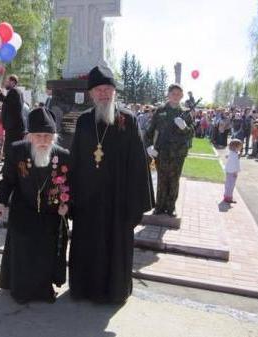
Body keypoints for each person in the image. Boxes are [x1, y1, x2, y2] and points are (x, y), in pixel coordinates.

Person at [69, 65, 154, 304]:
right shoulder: (84, 121)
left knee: (114, 247)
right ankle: (83, 289)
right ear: (91, 94)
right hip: (88, 201)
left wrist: (135, 204)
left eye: (107, 89)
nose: (103, 94)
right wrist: (71, 196)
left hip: (118, 201)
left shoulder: (128, 120)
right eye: (98, 90)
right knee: (87, 245)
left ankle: (114, 292)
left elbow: (139, 163)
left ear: (114, 92)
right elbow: (75, 159)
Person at [0, 107, 70, 304]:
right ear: (29, 136)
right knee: (23, 251)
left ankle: (44, 290)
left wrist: (67, 204)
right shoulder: (17, 150)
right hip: (23, 208)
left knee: (46, 252)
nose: (43, 140)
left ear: (54, 136)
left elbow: (70, 184)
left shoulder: (63, 155)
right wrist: (0, 202)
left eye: (47, 136)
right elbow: (8, 180)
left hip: (50, 212)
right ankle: (21, 290)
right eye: (38, 136)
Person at [145, 84, 195, 217]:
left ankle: (171, 207)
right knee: (162, 179)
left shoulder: (185, 112)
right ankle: (159, 207)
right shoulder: (160, 110)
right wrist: (149, 146)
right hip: (162, 152)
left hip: (178, 153)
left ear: (182, 96)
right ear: (168, 94)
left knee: (174, 180)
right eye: (173, 93)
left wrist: (185, 128)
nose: (176, 96)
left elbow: (192, 133)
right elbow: (149, 132)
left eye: (179, 94)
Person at [0, 74, 25, 159]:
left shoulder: (14, 91)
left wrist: (0, 94)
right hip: (13, 127)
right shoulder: (14, 92)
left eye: (7, 81)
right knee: (9, 150)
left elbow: (9, 103)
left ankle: (10, 170)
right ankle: (6, 169)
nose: (5, 83)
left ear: (12, 82)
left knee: (11, 151)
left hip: (14, 128)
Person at [223, 139, 242, 204]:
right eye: (240, 146)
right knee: (231, 185)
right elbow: (236, 164)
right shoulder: (235, 155)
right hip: (232, 172)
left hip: (228, 171)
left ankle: (226, 196)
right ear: (236, 147)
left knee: (228, 184)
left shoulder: (232, 153)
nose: (241, 148)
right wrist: (236, 171)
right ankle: (228, 198)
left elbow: (228, 157)